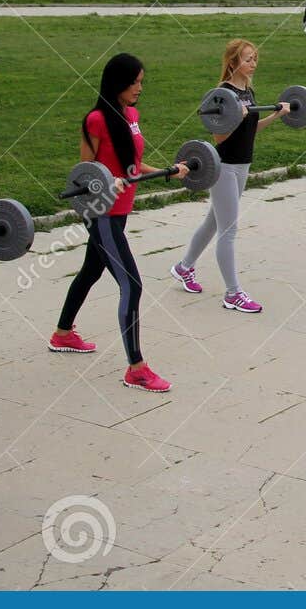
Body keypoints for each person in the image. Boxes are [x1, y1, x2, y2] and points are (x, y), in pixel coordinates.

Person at [50, 53, 187, 393]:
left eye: (141, 81)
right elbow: (83, 177)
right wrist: (108, 181)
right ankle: (136, 369)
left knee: (91, 271)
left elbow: (133, 165)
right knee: (132, 285)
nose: (140, 88)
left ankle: (62, 334)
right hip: (102, 214)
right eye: (135, 82)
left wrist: (168, 171)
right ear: (118, 83)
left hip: (121, 210)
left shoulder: (131, 115)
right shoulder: (95, 120)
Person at [171, 40, 289, 312]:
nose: (253, 63)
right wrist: (236, 116)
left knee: (214, 222)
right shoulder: (222, 94)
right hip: (224, 166)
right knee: (229, 229)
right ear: (233, 62)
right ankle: (233, 294)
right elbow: (219, 136)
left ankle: (183, 267)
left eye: (255, 58)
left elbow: (251, 128)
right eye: (248, 59)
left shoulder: (248, 90)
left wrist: (277, 115)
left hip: (243, 164)